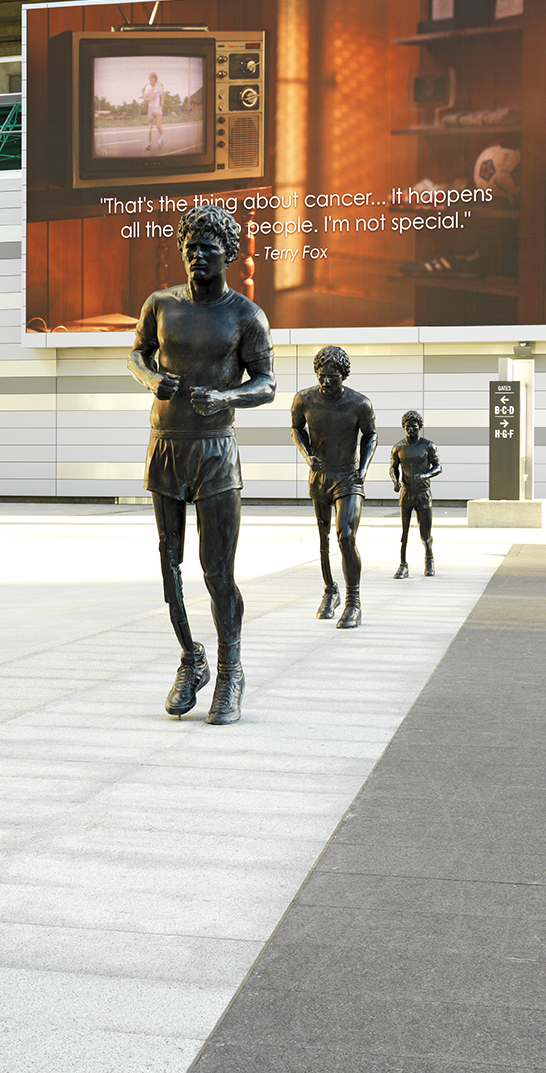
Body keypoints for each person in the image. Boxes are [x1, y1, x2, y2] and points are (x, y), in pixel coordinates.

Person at [127, 204, 274, 724]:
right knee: (170, 567)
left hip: (214, 450)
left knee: (217, 570)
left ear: (227, 255)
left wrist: (226, 396)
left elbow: (267, 383)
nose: (197, 257)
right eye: (190, 248)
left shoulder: (245, 315)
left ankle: (231, 668)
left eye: (208, 249)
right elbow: (138, 354)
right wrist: (150, 380)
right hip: (165, 442)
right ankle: (192, 656)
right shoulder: (160, 304)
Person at [291, 346, 377, 628]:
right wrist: (307, 457)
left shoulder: (359, 404)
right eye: (321, 376)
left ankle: (354, 602)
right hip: (320, 477)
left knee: (345, 536)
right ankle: (330, 590)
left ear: (344, 376)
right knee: (324, 539)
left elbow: (370, 436)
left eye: (332, 377)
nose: (326, 382)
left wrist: (363, 469)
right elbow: (296, 429)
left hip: (348, 476)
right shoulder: (304, 399)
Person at [390, 409, 442, 577]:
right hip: (406, 494)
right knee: (404, 531)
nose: (410, 430)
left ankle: (429, 559)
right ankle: (403, 565)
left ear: (419, 426)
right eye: (407, 427)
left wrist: (426, 475)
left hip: (423, 493)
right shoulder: (398, 447)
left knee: (425, 532)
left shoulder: (428, 445)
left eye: (413, 426)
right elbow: (393, 467)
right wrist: (395, 481)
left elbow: (438, 466)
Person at [142, 72, 165, 150]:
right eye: (151, 79)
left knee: (159, 126)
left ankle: (160, 140)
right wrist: (150, 97)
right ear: (150, 80)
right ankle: (149, 144)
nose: (153, 81)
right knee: (150, 128)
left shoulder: (159, 86)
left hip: (157, 108)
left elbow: (163, 95)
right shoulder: (148, 87)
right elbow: (144, 98)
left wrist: (162, 106)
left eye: (154, 79)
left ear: (156, 80)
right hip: (151, 109)